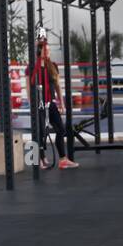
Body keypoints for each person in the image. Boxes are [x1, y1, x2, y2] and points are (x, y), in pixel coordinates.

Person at [30, 35, 78, 169]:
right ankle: (39, 159)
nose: (48, 52)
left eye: (49, 50)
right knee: (40, 132)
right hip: (38, 104)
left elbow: (57, 85)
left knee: (60, 129)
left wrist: (61, 103)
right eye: (45, 50)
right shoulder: (34, 67)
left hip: (50, 103)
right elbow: (30, 85)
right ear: (39, 52)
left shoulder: (53, 66)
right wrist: (32, 104)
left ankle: (63, 160)